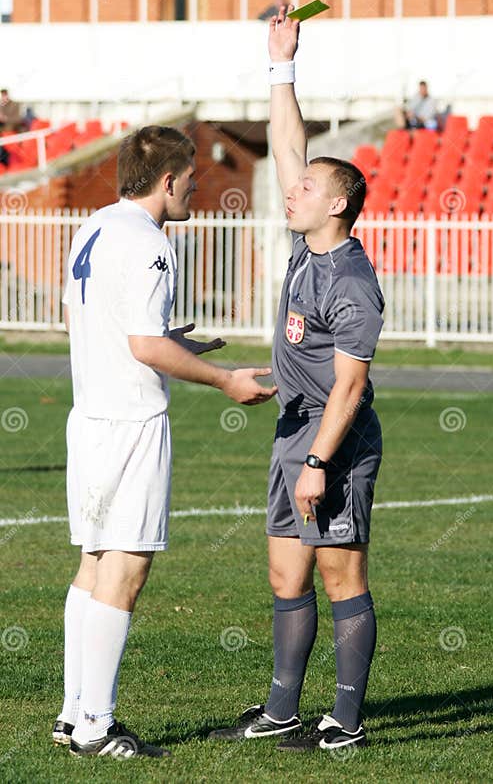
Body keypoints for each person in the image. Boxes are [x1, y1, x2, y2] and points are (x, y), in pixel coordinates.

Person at [53, 125, 277, 759]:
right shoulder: (152, 243)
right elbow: (143, 346)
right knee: (126, 569)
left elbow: (83, 316)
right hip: (132, 422)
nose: (197, 188)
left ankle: (73, 716)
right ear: (170, 179)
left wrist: (174, 341)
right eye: (192, 178)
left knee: (92, 565)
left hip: (89, 418)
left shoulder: (94, 224)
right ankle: (97, 726)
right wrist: (223, 379)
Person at [209, 6, 384, 752]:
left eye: (308, 185)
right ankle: (282, 707)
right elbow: (287, 143)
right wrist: (281, 63)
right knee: (287, 573)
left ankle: (345, 720)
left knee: (341, 574)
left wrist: (319, 460)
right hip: (291, 429)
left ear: (337, 202)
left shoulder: (350, 280)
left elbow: (348, 388)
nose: (293, 188)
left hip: (332, 438)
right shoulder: (306, 242)